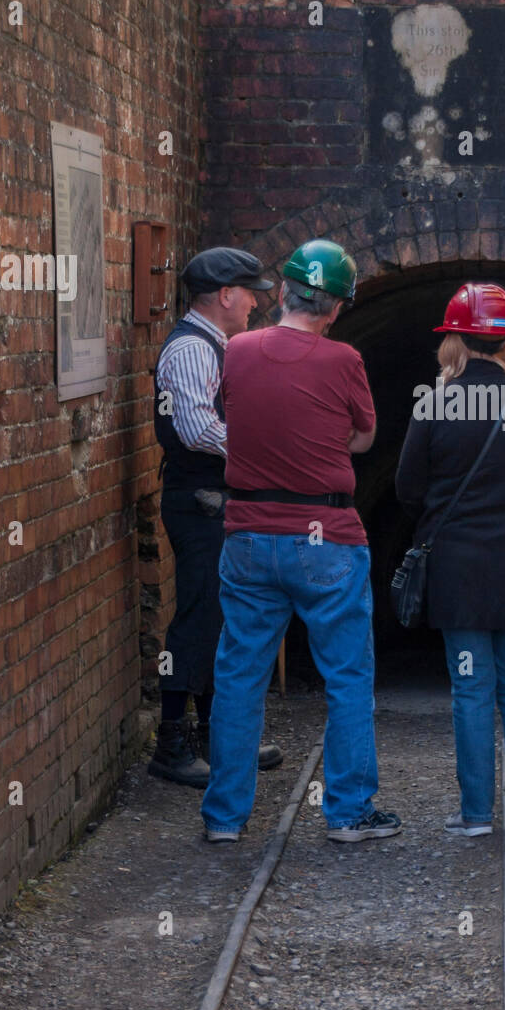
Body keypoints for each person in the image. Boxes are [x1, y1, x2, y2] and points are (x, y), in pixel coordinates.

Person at [201, 239, 401, 842]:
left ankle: (224, 819)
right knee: (346, 675)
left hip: (249, 534)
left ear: (284, 291)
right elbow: (365, 439)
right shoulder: (344, 361)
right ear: (336, 308)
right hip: (325, 536)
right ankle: (347, 813)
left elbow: (229, 415)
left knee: (238, 674)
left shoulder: (235, 350)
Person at [395, 283, 505, 835]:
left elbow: (406, 489)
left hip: (460, 573)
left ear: (455, 343)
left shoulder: (436, 402)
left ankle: (475, 816)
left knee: (471, 688)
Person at [150, 247, 283, 787]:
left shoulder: (216, 344)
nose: (255, 302)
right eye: (250, 291)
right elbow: (197, 430)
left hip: (215, 499)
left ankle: (217, 737)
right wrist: (261, 452)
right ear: (225, 295)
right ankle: (171, 744)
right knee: (199, 616)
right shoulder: (190, 350)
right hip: (198, 499)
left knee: (220, 616)